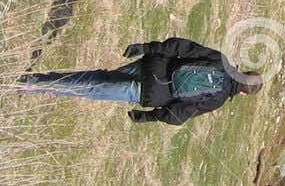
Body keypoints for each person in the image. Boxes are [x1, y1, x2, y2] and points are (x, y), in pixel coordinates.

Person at [18, 36, 262, 125]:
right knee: (92, 88)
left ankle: (37, 79)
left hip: (148, 66)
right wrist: (148, 117)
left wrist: (145, 47)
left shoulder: (220, 60)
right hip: (145, 93)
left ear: (243, 71)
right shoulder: (217, 99)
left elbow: (181, 46)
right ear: (242, 93)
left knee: (97, 77)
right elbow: (179, 114)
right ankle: (33, 85)